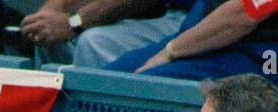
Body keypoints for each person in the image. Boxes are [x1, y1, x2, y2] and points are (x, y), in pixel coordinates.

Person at [106, 0, 278, 98]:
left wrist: (169, 52)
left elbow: (241, 15)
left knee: (142, 89)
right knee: (107, 79)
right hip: (223, 36)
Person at [21, 0, 191, 68]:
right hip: (167, 16)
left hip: (195, 19)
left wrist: (74, 23)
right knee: (44, 31)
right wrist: (55, 7)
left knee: (94, 41)